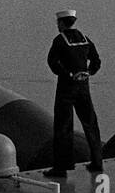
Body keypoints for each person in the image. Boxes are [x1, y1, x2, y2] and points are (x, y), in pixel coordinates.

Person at [44, 9, 104, 178]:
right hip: (84, 87)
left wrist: (68, 74)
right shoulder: (85, 39)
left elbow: (52, 62)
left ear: (62, 23)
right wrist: (88, 72)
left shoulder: (60, 40)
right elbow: (97, 61)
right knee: (90, 122)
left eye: (58, 23)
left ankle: (61, 167)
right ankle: (97, 162)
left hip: (66, 88)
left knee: (63, 126)